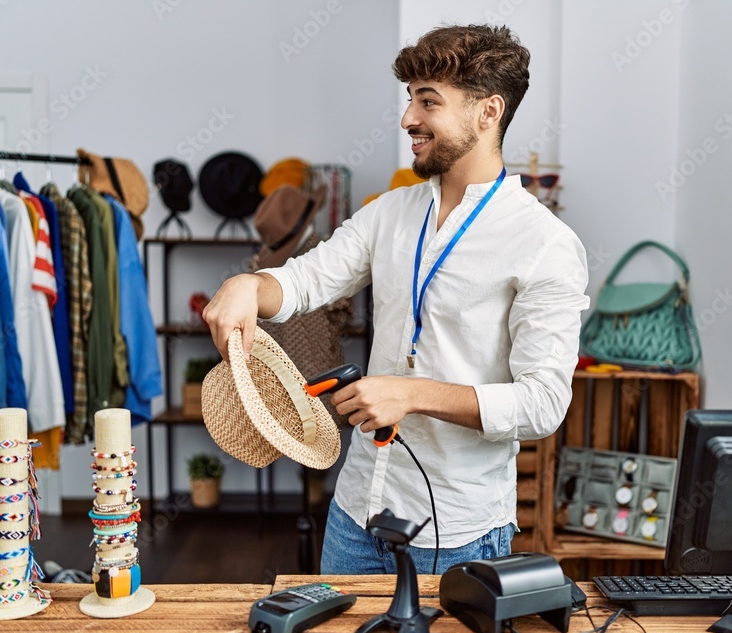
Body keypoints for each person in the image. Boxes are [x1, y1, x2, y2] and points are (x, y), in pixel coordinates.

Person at [203, 24, 589, 574]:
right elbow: (308, 279)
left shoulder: (545, 244)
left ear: (488, 112)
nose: (408, 118)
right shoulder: (391, 212)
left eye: (428, 101)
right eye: (410, 99)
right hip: (356, 514)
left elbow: (543, 404)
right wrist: (249, 285)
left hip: (457, 531)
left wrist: (411, 394)